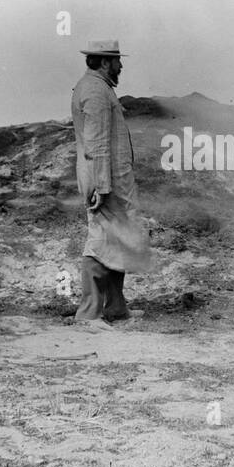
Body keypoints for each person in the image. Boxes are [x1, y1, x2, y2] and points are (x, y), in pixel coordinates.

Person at [70, 39, 152, 328]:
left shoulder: (100, 88)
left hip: (115, 181)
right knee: (101, 240)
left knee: (120, 238)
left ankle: (116, 308)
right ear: (105, 62)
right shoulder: (94, 90)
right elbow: (96, 144)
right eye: (117, 60)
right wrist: (101, 186)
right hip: (107, 183)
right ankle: (89, 314)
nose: (121, 65)